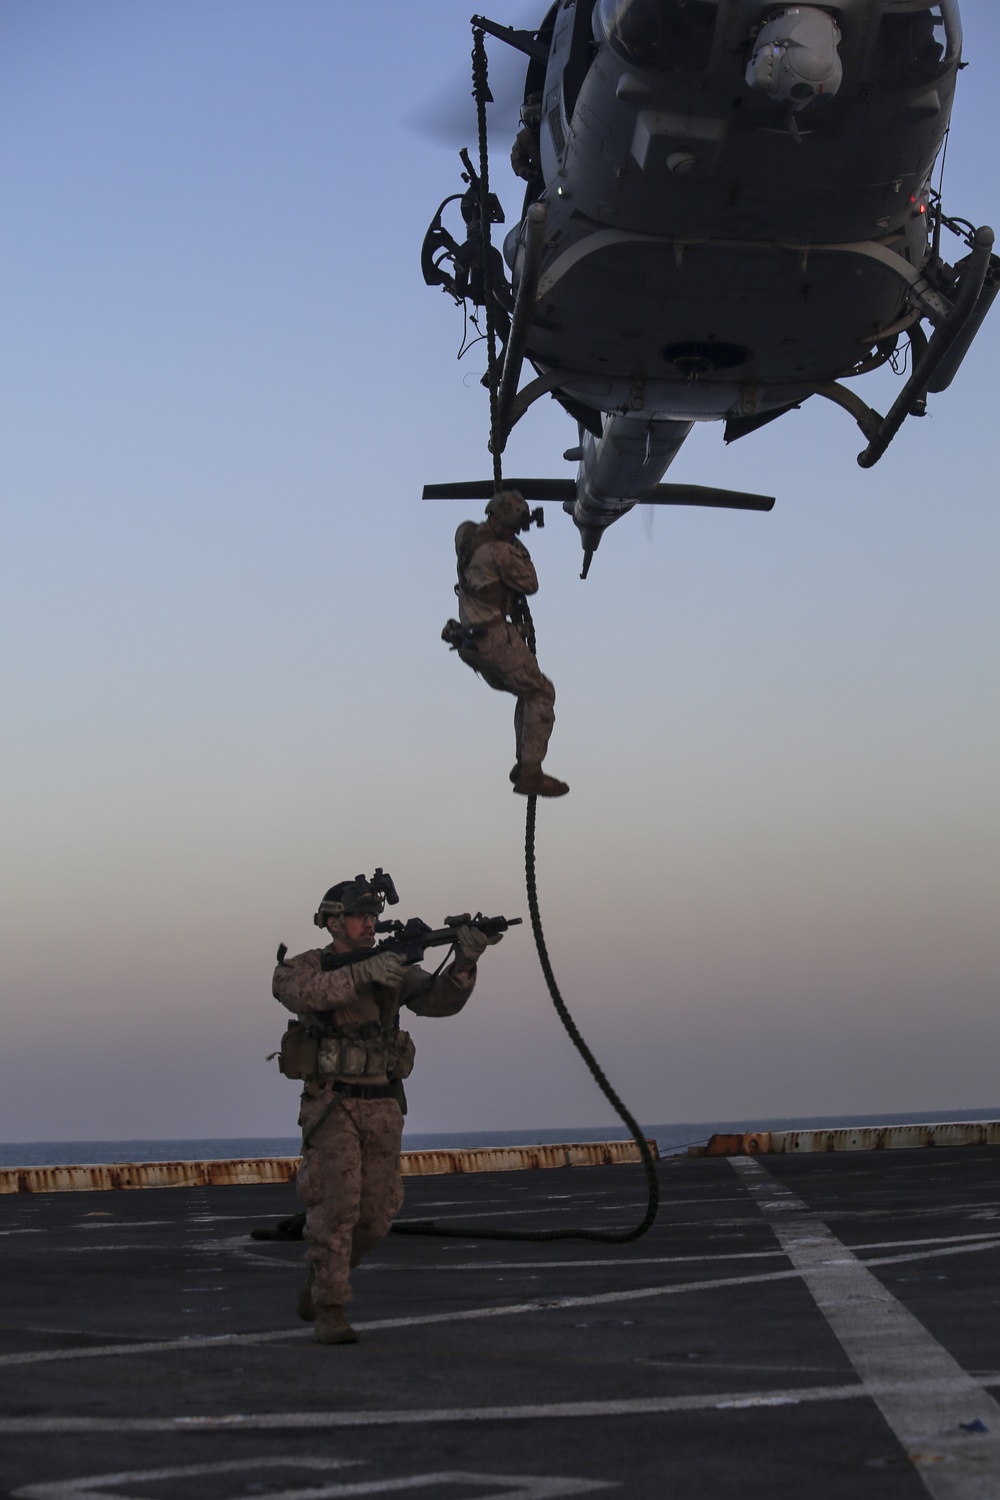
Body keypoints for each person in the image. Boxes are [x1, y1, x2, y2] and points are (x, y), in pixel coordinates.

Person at [272, 875, 496, 1345]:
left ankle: (321, 1279)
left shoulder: (391, 967)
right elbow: (298, 992)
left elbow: (437, 1002)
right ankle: (330, 1308)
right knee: (336, 1209)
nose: (369, 923)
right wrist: (363, 974)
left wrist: (465, 961)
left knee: (376, 1215)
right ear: (333, 923)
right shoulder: (307, 965)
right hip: (332, 1103)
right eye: (359, 916)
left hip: (383, 1103)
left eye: (373, 915)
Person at [450, 489, 568, 797]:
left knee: (526, 691)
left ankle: (525, 761)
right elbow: (530, 583)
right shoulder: (501, 553)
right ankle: (531, 772)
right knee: (541, 692)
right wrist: (518, 547)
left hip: (468, 641)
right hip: (493, 639)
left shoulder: (465, 534)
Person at [511, 93, 543, 185]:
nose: (532, 118)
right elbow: (517, 158)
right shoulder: (525, 136)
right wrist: (523, 169)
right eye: (528, 114)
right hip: (543, 175)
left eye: (534, 112)